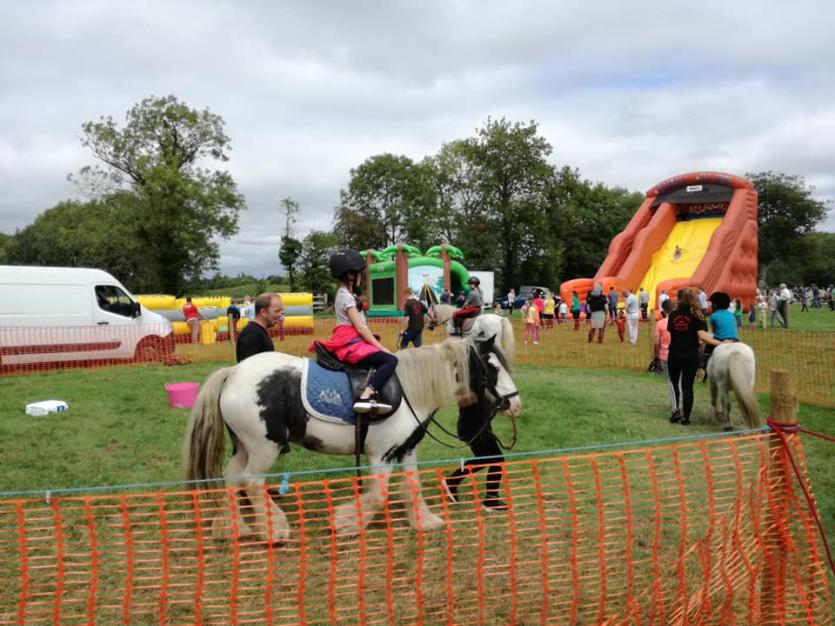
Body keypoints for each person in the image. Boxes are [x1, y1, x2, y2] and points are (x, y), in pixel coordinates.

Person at [312, 249, 398, 413]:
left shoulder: (347, 294)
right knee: (390, 360)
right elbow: (360, 327)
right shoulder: (345, 296)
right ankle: (365, 396)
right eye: (359, 273)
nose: (361, 276)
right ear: (351, 275)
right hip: (351, 344)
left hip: (351, 340)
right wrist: (381, 348)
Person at [667, 289, 722, 425]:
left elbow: (673, 332)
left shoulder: (673, 315)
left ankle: (675, 412)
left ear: (680, 300)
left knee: (674, 384)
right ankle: (686, 418)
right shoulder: (698, 316)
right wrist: (721, 343)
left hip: (674, 353)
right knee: (688, 387)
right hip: (691, 354)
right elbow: (702, 336)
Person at [653, 299, 680, 421]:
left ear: (663, 310)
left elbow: (656, 342)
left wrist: (656, 355)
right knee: (680, 381)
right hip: (679, 352)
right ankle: (681, 405)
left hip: (665, 355)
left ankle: (675, 407)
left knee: (671, 382)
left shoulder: (660, 324)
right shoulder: (679, 322)